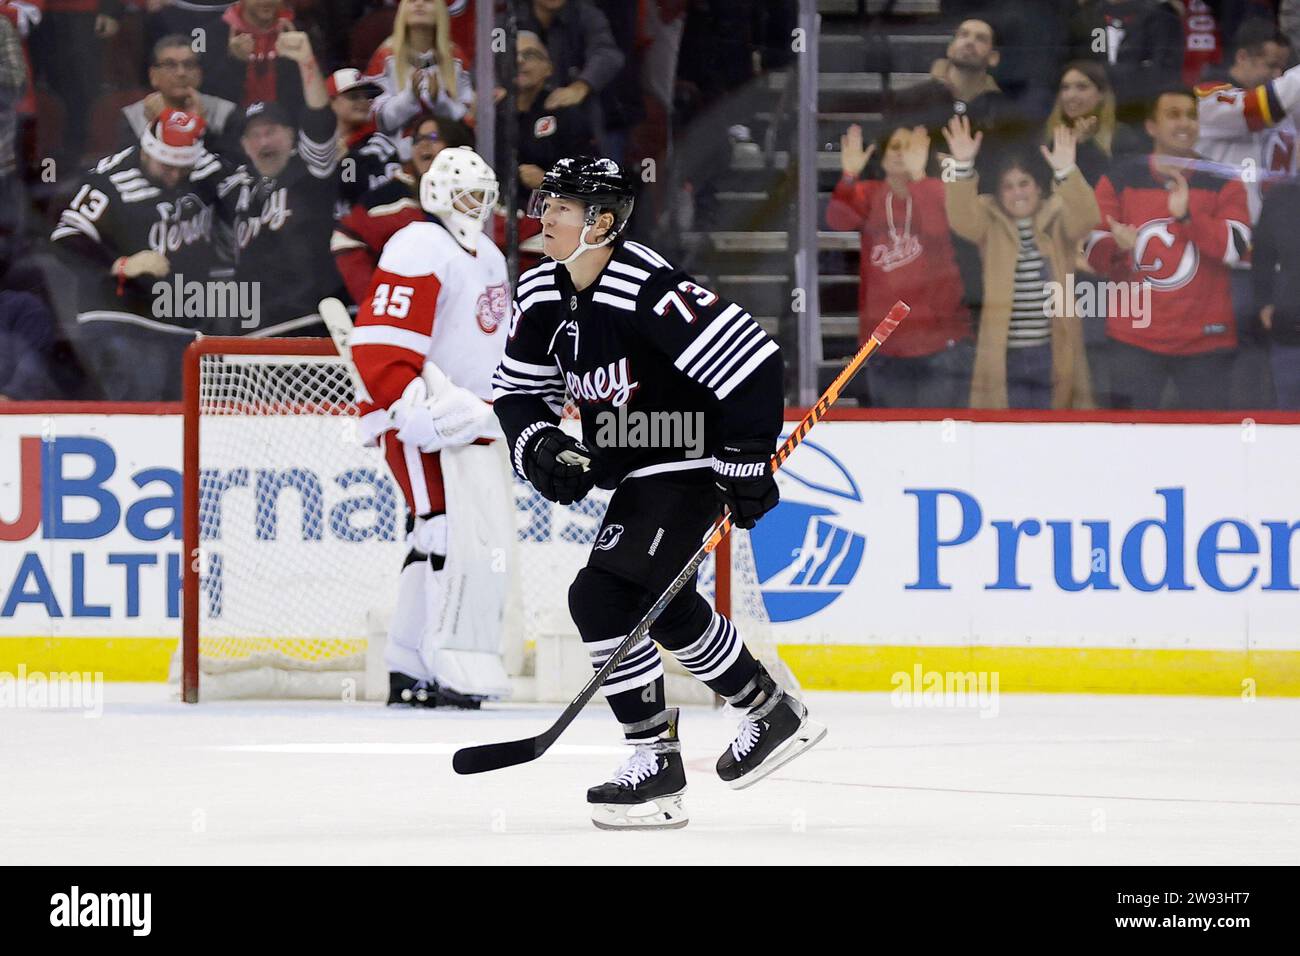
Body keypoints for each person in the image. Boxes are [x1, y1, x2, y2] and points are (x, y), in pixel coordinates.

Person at [492, 156, 823, 830]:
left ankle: (655, 764)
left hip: (691, 458)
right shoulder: (540, 295)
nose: (546, 215)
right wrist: (536, 445)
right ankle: (767, 709)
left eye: (564, 206)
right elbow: (518, 392)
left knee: (603, 593)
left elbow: (753, 358)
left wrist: (745, 463)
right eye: (546, 202)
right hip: (640, 467)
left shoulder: (643, 285)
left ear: (604, 222)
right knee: (662, 605)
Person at [349, 146, 513, 709]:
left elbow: (491, 343)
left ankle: (410, 665)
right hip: (419, 417)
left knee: (442, 533)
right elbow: (379, 340)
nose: (479, 205)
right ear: (440, 194)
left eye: (485, 195)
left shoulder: (489, 255)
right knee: (442, 530)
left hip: (468, 421)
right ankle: (443, 666)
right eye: (468, 194)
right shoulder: (418, 244)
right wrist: (401, 405)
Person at [1086, 88, 1252, 409]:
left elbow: (1237, 248)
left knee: (1207, 445)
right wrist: (1117, 249)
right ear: (1151, 126)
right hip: (1133, 340)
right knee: (1128, 441)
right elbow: (1094, 251)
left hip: (1206, 341)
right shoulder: (1120, 178)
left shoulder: (1223, 181)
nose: (1185, 123)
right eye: (1173, 115)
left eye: (1191, 115)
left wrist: (1189, 217)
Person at [50, 109, 228, 399]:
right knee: (139, 419)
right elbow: (66, 237)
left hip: (182, 326)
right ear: (148, 149)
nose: (174, 175)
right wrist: (120, 264)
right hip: (124, 323)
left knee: (189, 426)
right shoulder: (110, 178)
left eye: (182, 168)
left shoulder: (204, 173)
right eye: (166, 165)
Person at [943, 115, 1098, 409]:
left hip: (1052, 350)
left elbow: (1087, 218)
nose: (1017, 193)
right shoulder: (990, 222)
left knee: (1052, 428)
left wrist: (1066, 170)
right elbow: (961, 219)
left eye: (1024, 183)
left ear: (1038, 187)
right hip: (1006, 353)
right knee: (1007, 431)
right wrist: (961, 167)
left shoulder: (1058, 218)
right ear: (999, 194)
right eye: (1008, 186)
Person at [826, 123, 973, 408]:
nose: (901, 154)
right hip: (885, 344)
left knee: (935, 439)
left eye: (910, 148)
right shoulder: (869, 193)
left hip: (939, 343)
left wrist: (918, 177)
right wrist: (848, 176)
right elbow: (838, 219)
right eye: (895, 147)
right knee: (893, 440)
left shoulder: (937, 190)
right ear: (881, 157)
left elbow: (938, 226)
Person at [221, 35, 341, 335]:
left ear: (290, 136)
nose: (264, 140)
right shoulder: (235, 190)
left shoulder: (311, 172)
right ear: (245, 146)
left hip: (309, 322)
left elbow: (320, 119)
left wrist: (306, 61)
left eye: (271, 131)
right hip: (253, 329)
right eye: (255, 135)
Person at [331, 111, 473, 305]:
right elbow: (346, 238)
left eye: (432, 137)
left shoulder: (477, 195)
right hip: (409, 314)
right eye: (416, 139)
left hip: (465, 313)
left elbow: (526, 238)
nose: (423, 144)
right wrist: (373, 301)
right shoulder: (391, 196)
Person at [495, 30, 595, 209]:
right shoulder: (493, 114)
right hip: (495, 217)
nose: (519, 61)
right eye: (513, 55)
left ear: (548, 68)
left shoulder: (565, 115)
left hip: (554, 217)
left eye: (530, 55)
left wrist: (548, 181)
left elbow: (591, 181)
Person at [118, 34, 241, 159]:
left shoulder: (225, 112)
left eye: (189, 64)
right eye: (170, 65)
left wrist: (200, 129)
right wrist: (159, 125)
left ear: (199, 74)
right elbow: (131, 167)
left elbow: (229, 167)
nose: (181, 73)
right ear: (153, 76)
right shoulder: (133, 116)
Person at [367, 0, 474, 135]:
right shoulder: (384, 56)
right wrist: (410, 97)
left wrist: (439, 101)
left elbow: (468, 119)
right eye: (412, 0)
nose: (419, 4)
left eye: (428, 1)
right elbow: (374, 119)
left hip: (448, 151)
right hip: (395, 152)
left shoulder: (456, 58)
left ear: (440, 11)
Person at [327, 67, 399, 216]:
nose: (363, 102)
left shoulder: (380, 146)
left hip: (363, 231)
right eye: (354, 96)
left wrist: (346, 160)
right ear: (330, 102)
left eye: (367, 97)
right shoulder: (313, 147)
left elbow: (380, 197)